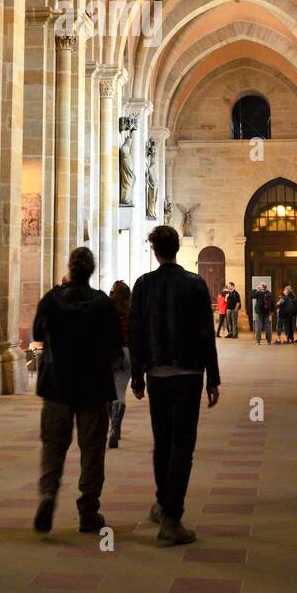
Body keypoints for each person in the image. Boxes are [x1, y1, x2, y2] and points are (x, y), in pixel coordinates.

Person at [129, 225, 221, 546]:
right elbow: (205, 333)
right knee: (183, 445)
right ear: (177, 249)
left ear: (155, 251)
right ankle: (171, 517)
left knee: (162, 441)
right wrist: (213, 377)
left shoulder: (143, 284)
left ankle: (163, 503)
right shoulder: (194, 284)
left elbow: (136, 332)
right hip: (189, 373)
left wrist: (137, 374)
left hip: (157, 373)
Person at [32, 246, 121, 534]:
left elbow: (36, 334)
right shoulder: (102, 303)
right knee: (92, 449)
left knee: (53, 446)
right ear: (91, 271)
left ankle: (48, 496)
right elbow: (115, 346)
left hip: (57, 385)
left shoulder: (52, 300)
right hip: (93, 387)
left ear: (70, 269)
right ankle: (88, 510)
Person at [108, 279, 132, 448]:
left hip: (110, 353)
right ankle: (116, 426)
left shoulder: (107, 309)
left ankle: (113, 426)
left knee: (109, 393)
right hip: (127, 353)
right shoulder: (133, 310)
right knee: (120, 392)